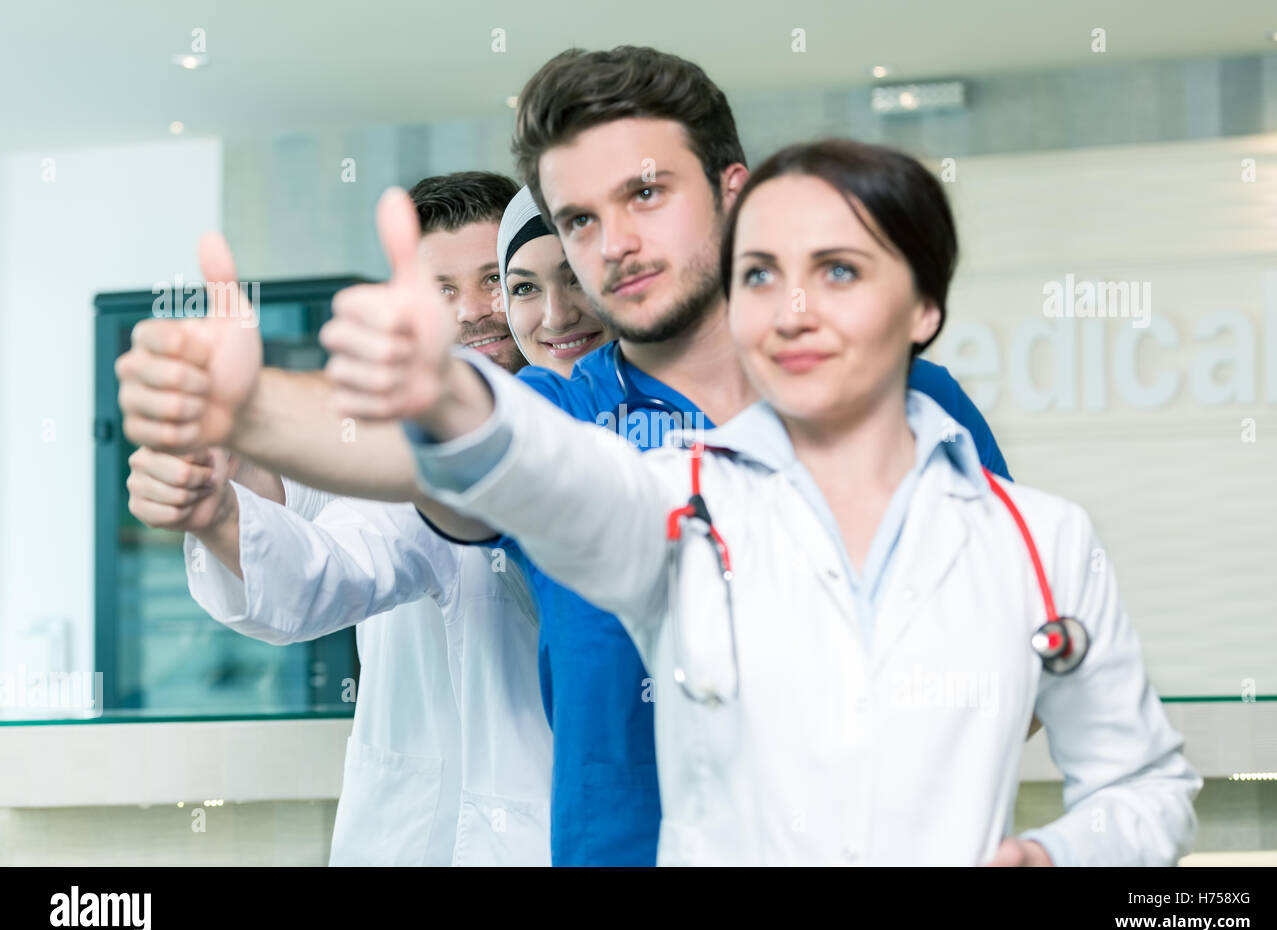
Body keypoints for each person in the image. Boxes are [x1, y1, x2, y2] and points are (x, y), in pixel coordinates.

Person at [114, 46, 1012, 866]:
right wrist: (249, 406)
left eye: (647, 195)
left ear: (734, 192)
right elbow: (421, 461)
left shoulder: (911, 404)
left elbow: (1015, 660)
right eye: (578, 219)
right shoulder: (560, 412)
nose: (611, 243)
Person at [331, 139, 1203, 866]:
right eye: (762, 276)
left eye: (839, 273)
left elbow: (1137, 781)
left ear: (922, 308)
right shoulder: (677, 501)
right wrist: (399, 400)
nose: (794, 310)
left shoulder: (1036, 535)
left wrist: (1046, 850)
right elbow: (489, 466)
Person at [123, 173, 558, 865]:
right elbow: (318, 552)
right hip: (409, 831)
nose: (474, 311)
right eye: (442, 289)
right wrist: (219, 488)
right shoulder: (374, 429)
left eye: (494, 281)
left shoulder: (605, 429)